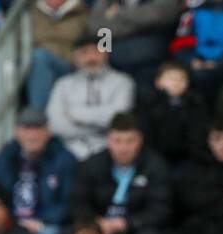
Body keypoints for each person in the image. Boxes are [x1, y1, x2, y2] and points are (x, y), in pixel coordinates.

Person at [69, 113, 174, 234]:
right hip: (98, 230)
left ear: (139, 140)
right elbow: (78, 203)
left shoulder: (155, 165)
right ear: (108, 140)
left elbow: (161, 209)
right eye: (117, 141)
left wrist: (127, 223)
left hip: (134, 230)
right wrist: (94, 223)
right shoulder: (91, 165)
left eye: (129, 141)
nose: (123, 148)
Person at [0, 108, 77, 234]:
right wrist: (10, 221)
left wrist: (42, 221)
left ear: (48, 132)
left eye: (38, 129)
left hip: (46, 224)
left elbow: (70, 203)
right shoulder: (4, 159)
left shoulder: (64, 159)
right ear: (17, 132)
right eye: (27, 129)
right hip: (10, 222)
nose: (33, 135)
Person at [47, 33, 136, 161]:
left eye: (96, 52)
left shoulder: (123, 82)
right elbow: (57, 126)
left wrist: (74, 113)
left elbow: (119, 118)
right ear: (75, 58)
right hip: (70, 150)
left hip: (110, 150)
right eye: (84, 53)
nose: (91, 58)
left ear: (106, 54)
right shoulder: (63, 85)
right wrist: (101, 126)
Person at [140, 60, 212, 165]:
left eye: (182, 79)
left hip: (189, 158)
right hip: (157, 157)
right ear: (158, 82)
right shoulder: (149, 104)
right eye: (171, 78)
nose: (177, 82)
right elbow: (147, 136)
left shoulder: (196, 103)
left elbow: (198, 135)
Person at [27, 0, 89, 110]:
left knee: (39, 57)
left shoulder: (83, 12)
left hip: (68, 64)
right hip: (32, 63)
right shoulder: (30, 12)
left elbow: (100, 37)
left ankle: (38, 115)